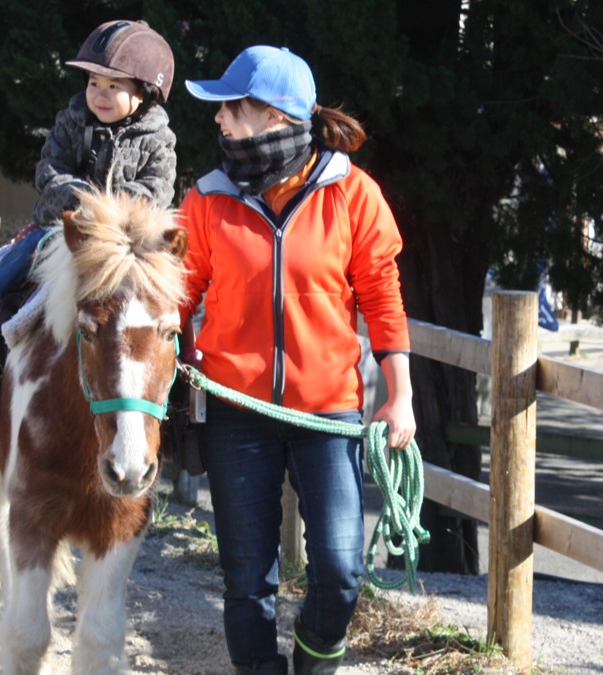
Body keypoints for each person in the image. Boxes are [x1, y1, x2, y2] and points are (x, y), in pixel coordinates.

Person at [177, 45, 416, 675]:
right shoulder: (205, 201)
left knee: (340, 571)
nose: (219, 119)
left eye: (232, 107)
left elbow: (383, 299)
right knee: (246, 585)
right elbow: (177, 296)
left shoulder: (353, 195)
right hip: (235, 412)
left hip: (328, 412)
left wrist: (402, 393)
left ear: (277, 117)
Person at [0, 19, 177, 378]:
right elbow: (50, 170)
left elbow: (157, 190)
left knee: (166, 290)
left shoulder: (158, 139)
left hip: (126, 240)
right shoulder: (71, 121)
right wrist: (81, 205)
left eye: (113, 85)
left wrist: (113, 214)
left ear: (144, 93)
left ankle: (181, 354)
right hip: (65, 223)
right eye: (94, 82)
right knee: (21, 255)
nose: (99, 93)